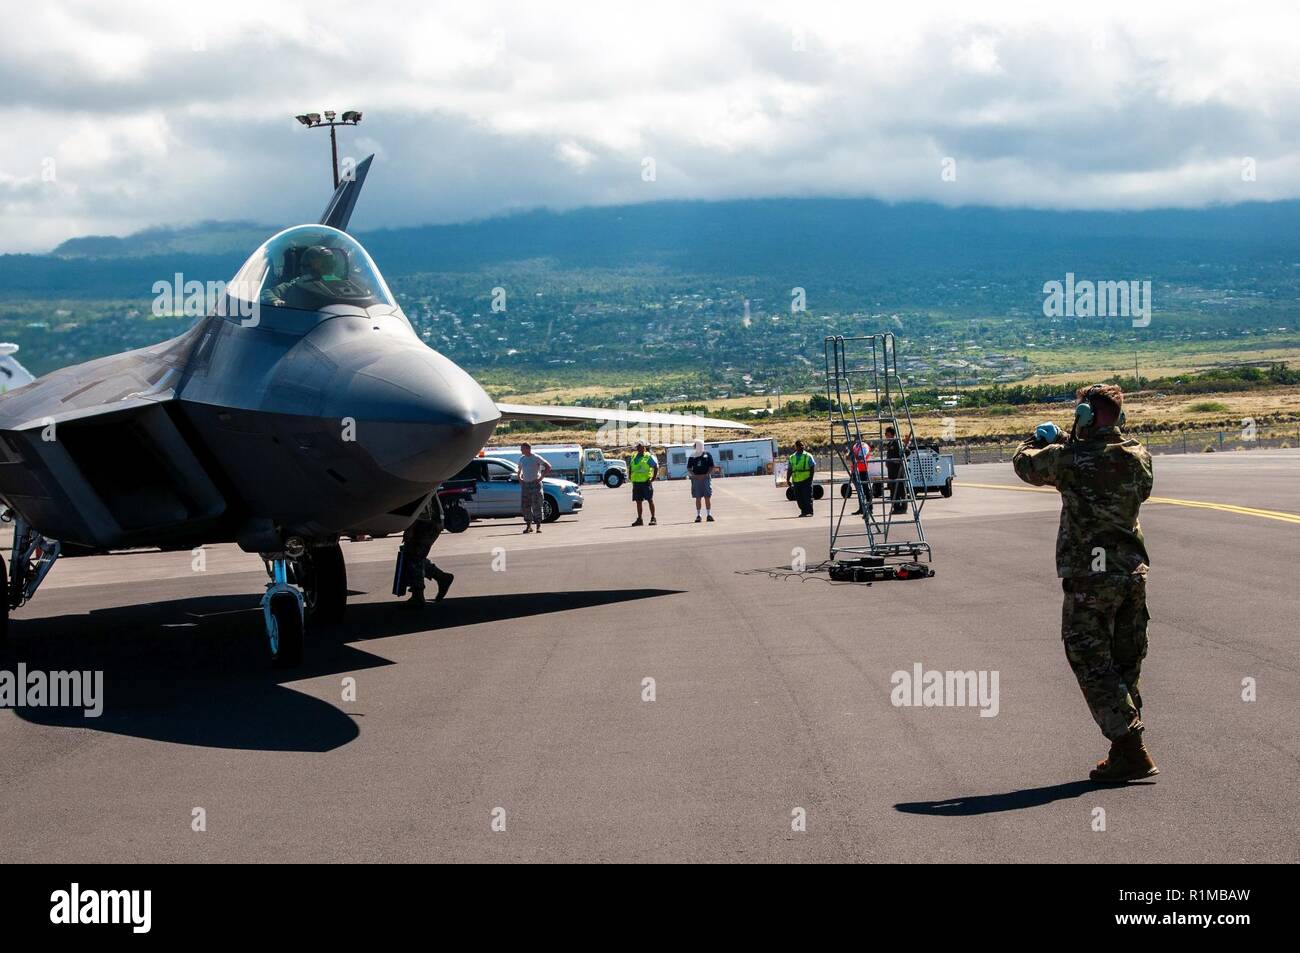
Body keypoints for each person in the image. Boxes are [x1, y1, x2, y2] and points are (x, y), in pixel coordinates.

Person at [1012, 384, 1158, 783]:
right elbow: (1104, 459)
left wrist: (1040, 437)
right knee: (1124, 664)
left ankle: (1131, 747)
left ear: (1084, 417)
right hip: (1131, 575)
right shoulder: (1138, 458)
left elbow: (1024, 464)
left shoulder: (1068, 460)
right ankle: (1124, 753)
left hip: (1091, 578)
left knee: (1091, 661)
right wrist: (1070, 438)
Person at [397, 489, 454, 609]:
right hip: (429, 521)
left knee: (414, 557)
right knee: (415, 556)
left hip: (426, 522)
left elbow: (420, 509)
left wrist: (410, 528)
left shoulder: (415, 482)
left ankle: (418, 595)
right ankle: (442, 577)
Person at [517, 443, 551, 534]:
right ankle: (528, 526)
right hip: (526, 485)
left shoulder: (536, 458)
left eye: (522, 449)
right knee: (525, 506)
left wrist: (540, 478)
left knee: (537, 505)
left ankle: (538, 525)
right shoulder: (522, 459)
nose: (521, 451)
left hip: (535, 484)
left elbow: (548, 466)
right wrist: (520, 478)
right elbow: (519, 471)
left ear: (528, 449)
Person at [628, 442, 658, 526]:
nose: (638, 448)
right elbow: (630, 466)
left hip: (646, 482)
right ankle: (639, 519)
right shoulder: (634, 456)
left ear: (644, 447)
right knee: (638, 501)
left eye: (640, 447)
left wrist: (653, 478)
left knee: (650, 500)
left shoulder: (647, 456)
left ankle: (653, 518)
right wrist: (630, 475)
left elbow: (655, 467)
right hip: (636, 483)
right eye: (637, 447)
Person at [687, 439, 716, 522]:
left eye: (696, 446)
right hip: (696, 479)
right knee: (698, 497)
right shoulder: (692, 455)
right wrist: (694, 475)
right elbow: (689, 468)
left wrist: (706, 474)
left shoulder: (707, 455)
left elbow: (711, 466)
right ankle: (698, 515)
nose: (695, 447)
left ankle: (709, 515)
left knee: (707, 496)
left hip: (706, 478)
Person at [785, 440, 816, 517]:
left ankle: (809, 512)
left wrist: (810, 479)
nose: (801, 447)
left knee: (807, 496)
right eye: (799, 445)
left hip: (806, 479)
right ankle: (803, 511)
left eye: (802, 445)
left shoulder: (808, 456)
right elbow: (790, 469)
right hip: (796, 481)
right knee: (799, 498)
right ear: (796, 447)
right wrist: (788, 479)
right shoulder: (792, 457)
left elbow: (812, 467)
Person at [882, 426, 908, 515]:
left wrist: (898, 460)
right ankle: (896, 507)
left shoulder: (897, 442)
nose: (885, 435)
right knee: (893, 489)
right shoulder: (890, 444)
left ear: (891, 433)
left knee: (900, 488)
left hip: (898, 470)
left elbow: (907, 452)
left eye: (886, 433)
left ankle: (903, 508)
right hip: (891, 470)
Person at [849, 437, 871, 515]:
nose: (856, 439)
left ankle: (869, 508)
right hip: (855, 470)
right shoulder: (855, 446)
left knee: (865, 489)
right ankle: (861, 508)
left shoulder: (864, 446)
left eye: (858, 437)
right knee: (859, 490)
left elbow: (862, 457)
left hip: (862, 470)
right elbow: (849, 457)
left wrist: (853, 455)